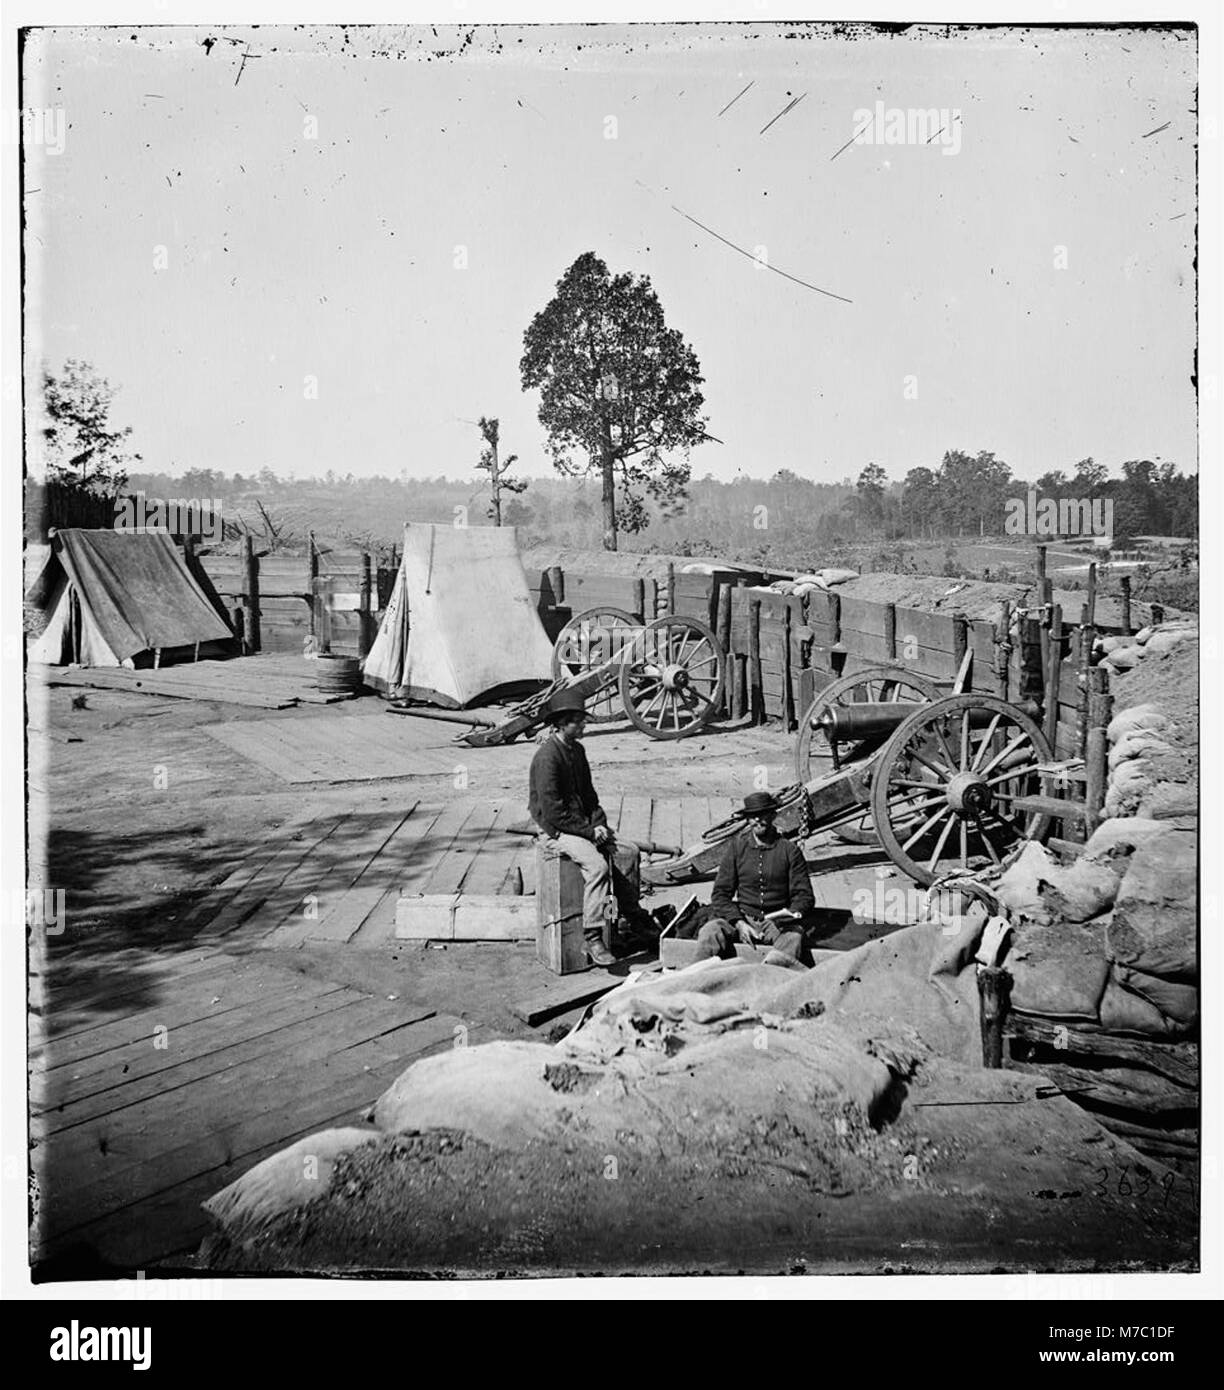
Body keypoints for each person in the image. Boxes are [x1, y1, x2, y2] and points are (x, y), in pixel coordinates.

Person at [527, 687, 654, 967]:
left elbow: (589, 796)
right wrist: (587, 832)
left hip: (581, 825)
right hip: (556, 830)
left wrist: (599, 825)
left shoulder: (577, 750)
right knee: (597, 867)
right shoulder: (547, 758)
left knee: (628, 853)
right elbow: (553, 812)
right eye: (578, 720)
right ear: (561, 724)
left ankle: (626, 919)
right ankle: (593, 934)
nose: (583, 724)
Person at [693, 790, 815, 965]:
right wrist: (739, 923)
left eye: (762, 814)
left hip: (777, 924)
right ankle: (695, 978)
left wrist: (786, 917)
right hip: (744, 916)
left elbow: (804, 896)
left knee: (793, 937)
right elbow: (720, 894)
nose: (757, 820)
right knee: (710, 930)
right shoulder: (737, 848)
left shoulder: (789, 851)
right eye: (752, 816)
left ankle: (770, 978)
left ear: (773, 815)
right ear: (748, 820)